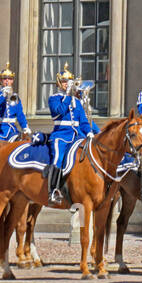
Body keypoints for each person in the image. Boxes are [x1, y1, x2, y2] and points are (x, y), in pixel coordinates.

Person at [47, 66, 92, 203]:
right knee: (58, 158)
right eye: (65, 82)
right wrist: (67, 95)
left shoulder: (77, 102)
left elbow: (83, 121)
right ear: (59, 83)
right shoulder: (54, 99)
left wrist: (89, 132)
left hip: (77, 136)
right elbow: (58, 111)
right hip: (61, 135)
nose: (68, 84)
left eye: (69, 82)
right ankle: (53, 191)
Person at [0, 63, 28, 141]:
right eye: (5, 79)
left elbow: (20, 114)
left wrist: (25, 127)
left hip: (11, 130)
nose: (7, 81)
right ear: (1, 80)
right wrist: (3, 96)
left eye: (10, 79)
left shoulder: (15, 96)